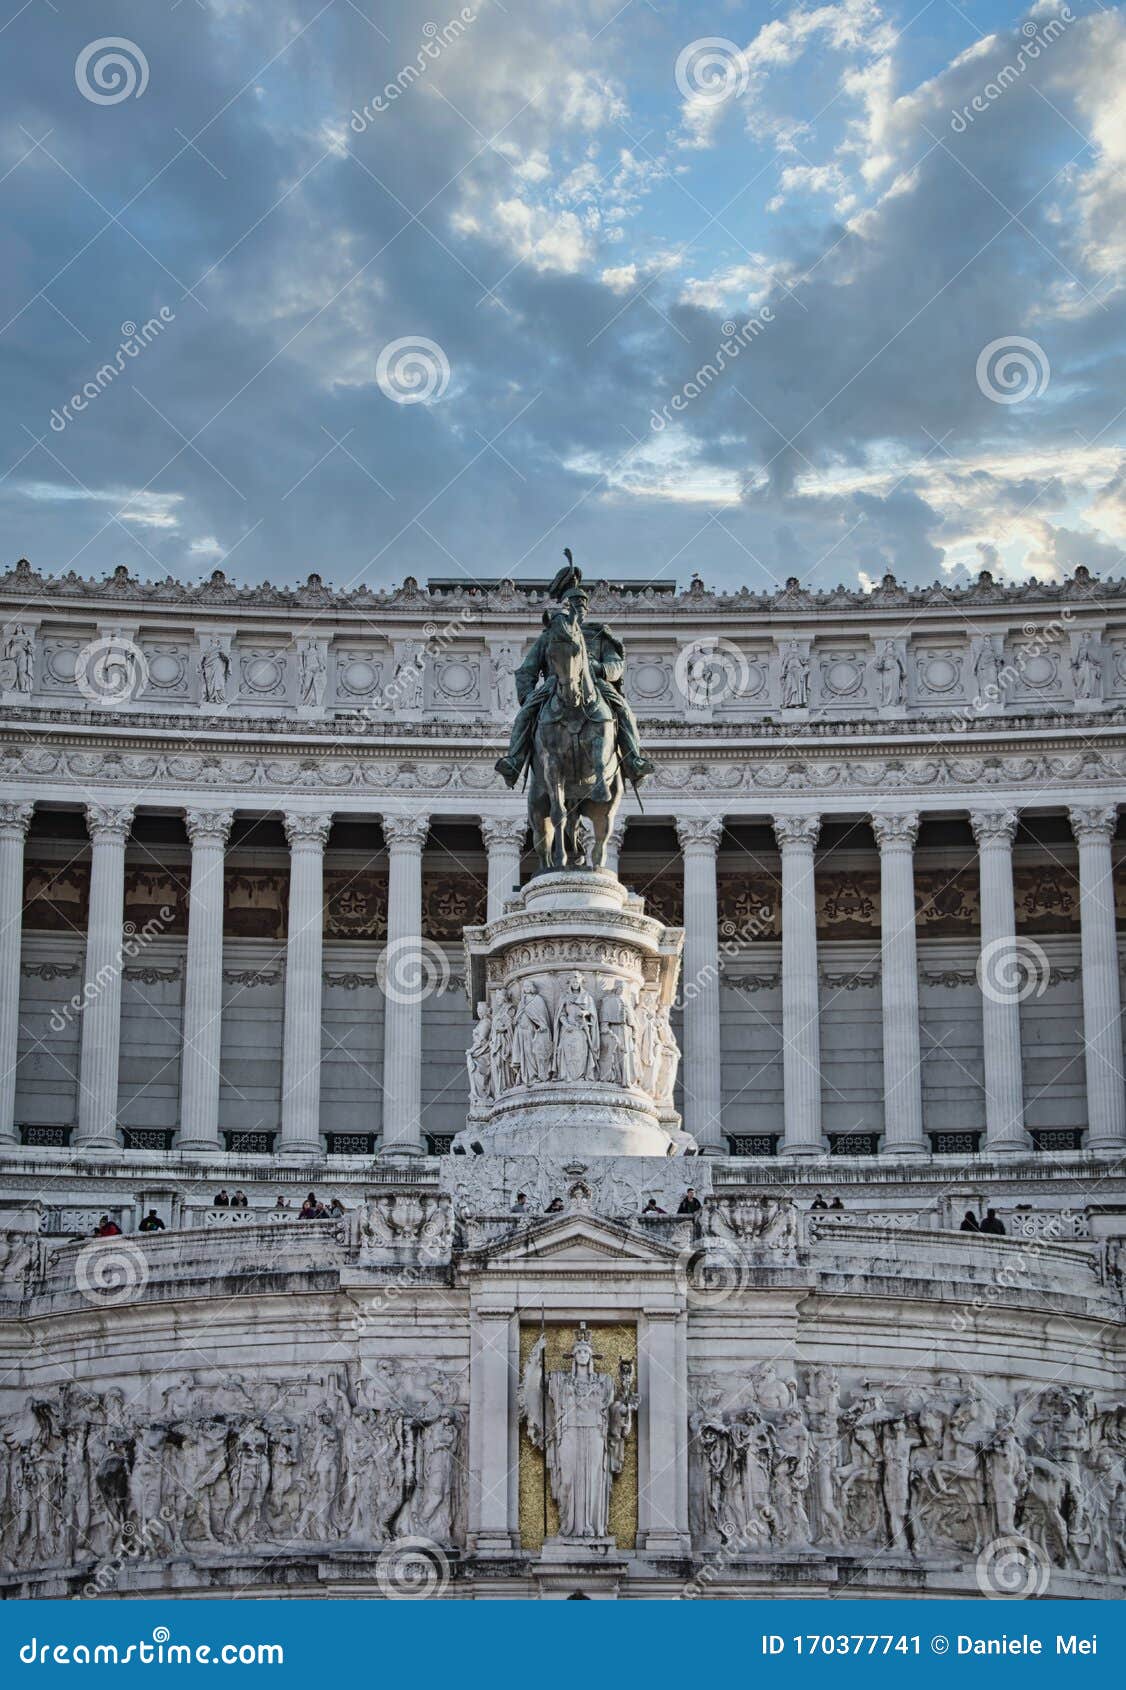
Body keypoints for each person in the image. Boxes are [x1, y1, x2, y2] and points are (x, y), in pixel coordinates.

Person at [493, 563, 656, 791]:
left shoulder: (599, 635)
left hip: (596, 684)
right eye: (573, 605)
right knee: (525, 714)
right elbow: (526, 671)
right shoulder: (550, 636)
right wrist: (527, 696)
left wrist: (599, 668)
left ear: (587, 610)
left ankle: (634, 761)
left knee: (624, 711)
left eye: (582, 606)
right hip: (554, 685)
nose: (578, 610)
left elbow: (617, 665)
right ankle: (514, 761)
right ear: (566, 608)